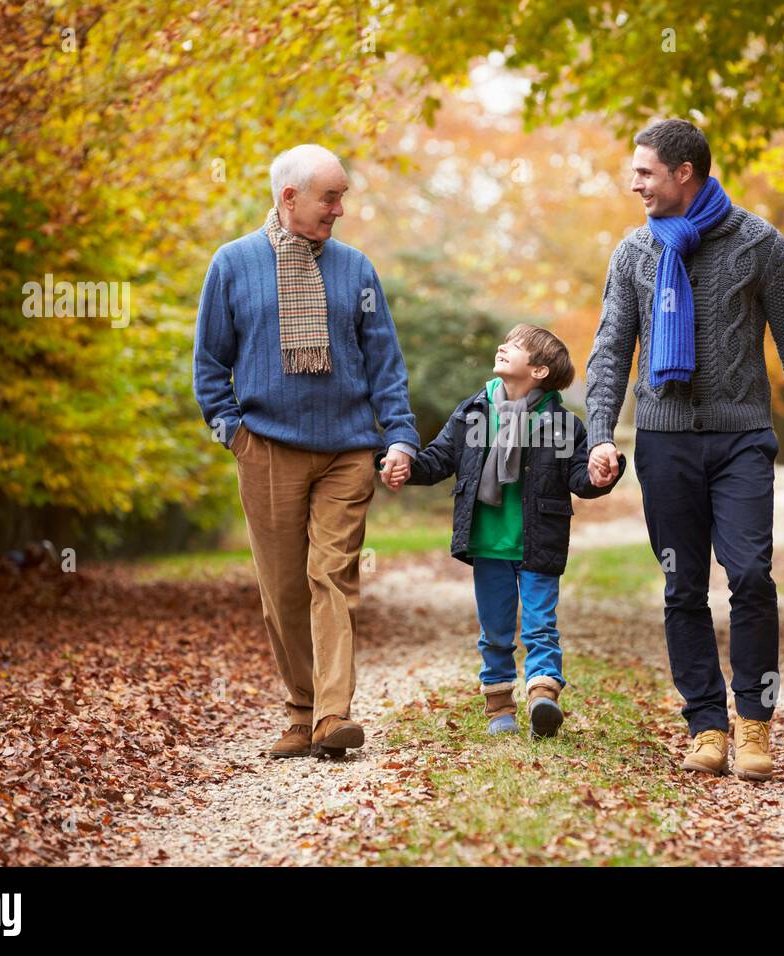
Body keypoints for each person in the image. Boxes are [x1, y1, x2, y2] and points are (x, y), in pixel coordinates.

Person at [584, 119, 784, 779]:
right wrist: (600, 432)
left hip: (743, 438)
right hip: (663, 441)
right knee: (681, 585)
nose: (634, 183)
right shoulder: (634, 252)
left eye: (645, 172)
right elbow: (609, 349)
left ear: (682, 173)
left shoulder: (759, 244)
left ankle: (755, 726)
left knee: (750, 575)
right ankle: (707, 726)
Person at [192, 144, 419, 759]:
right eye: (330, 197)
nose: (340, 209)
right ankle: (301, 708)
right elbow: (210, 366)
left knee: (331, 577)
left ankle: (332, 715)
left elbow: (385, 365)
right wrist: (233, 434)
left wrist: (398, 433)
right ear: (289, 197)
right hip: (266, 449)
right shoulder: (233, 265)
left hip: (348, 450)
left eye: (343, 196)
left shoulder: (356, 270)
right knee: (284, 588)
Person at [393, 324, 625, 737]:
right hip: (488, 542)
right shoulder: (473, 412)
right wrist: (406, 465)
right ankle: (499, 706)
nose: (503, 346)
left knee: (540, 625)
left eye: (515, 346)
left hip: (539, 542)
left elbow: (581, 479)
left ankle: (542, 696)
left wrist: (603, 472)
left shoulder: (562, 424)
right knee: (496, 630)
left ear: (538, 371)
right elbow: (439, 460)